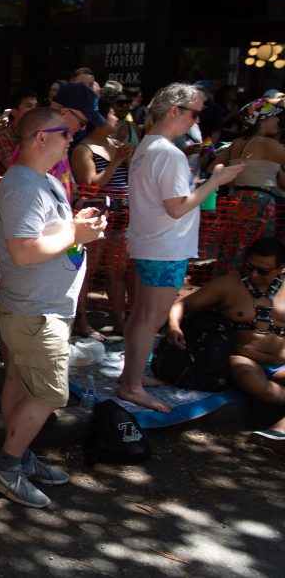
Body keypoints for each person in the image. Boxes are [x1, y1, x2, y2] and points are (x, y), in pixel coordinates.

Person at [0, 107, 106, 508]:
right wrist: (76, 231)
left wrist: (75, 225)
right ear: (40, 137)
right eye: (64, 134)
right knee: (52, 393)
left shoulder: (42, 181)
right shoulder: (23, 185)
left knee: (21, 384)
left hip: (39, 308)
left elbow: (47, 233)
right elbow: (23, 251)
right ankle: (6, 465)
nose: (70, 140)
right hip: (37, 310)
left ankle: (20, 454)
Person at [121, 83, 248, 412]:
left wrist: (206, 183)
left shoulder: (150, 147)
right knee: (150, 318)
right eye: (194, 113)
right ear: (174, 111)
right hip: (164, 247)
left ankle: (132, 376)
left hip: (152, 243)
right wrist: (215, 181)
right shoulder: (168, 153)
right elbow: (177, 208)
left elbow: (171, 201)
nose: (197, 120)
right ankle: (132, 384)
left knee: (142, 316)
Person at [166, 238, 285, 444]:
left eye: (263, 271)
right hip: (244, 359)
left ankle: (278, 432)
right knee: (256, 385)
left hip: (282, 362)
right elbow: (181, 305)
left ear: (281, 269)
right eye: (249, 267)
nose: (254, 274)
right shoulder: (228, 284)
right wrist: (174, 326)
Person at [71, 99, 133, 336]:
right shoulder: (83, 149)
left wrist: (126, 158)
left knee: (117, 271)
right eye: (114, 114)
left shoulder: (117, 144)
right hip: (97, 216)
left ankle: (120, 322)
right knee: (88, 270)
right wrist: (117, 160)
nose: (118, 119)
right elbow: (91, 185)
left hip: (121, 215)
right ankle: (82, 321)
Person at [211, 94, 285, 276]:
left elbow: (213, 167)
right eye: (274, 116)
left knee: (235, 248)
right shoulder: (264, 143)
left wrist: (243, 178)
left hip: (239, 201)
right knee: (257, 250)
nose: (278, 120)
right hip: (260, 204)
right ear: (262, 120)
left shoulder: (236, 143)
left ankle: (225, 286)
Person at [0, 88, 38, 177]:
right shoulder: (2, 137)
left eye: (35, 106)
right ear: (14, 112)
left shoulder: (39, 133)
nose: (34, 110)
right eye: (29, 106)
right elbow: (14, 168)